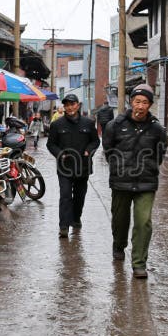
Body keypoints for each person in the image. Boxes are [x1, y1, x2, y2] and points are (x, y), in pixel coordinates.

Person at [102, 84, 166, 279]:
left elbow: (160, 153)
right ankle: (119, 244)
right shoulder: (115, 125)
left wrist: (149, 167)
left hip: (146, 182)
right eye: (137, 101)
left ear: (150, 105)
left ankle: (139, 263)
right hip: (121, 181)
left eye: (145, 102)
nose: (140, 106)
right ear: (131, 103)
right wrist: (118, 166)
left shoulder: (157, 129)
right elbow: (108, 149)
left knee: (143, 221)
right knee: (120, 219)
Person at [47, 93, 100, 238]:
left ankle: (76, 219)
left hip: (83, 166)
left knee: (79, 196)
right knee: (65, 196)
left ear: (78, 105)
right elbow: (51, 144)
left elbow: (95, 141)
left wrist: (89, 151)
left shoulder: (88, 123)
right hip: (65, 167)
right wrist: (60, 154)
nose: (69, 107)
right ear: (64, 107)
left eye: (72, 104)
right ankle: (63, 226)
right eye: (67, 105)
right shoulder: (57, 125)